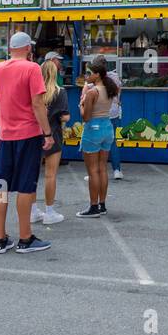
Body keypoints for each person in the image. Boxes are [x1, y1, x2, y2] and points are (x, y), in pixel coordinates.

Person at [0, 31, 53, 254]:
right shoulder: (32, 68)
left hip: (5, 134)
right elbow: (37, 104)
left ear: (10, 48)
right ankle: (25, 237)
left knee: (1, 185)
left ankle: (1, 237)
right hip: (27, 133)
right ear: (28, 48)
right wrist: (47, 133)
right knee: (26, 186)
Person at [76, 58, 119, 218]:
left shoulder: (92, 92)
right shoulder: (109, 89)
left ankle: (93, 206)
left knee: (92, 170)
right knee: (102, 169)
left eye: (89, 73)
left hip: (93, 129)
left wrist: (81, 106)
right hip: (107, 128)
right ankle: (102, 204)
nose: (86, 76)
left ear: (97, 75)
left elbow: (85, 117)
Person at [33, 59, 68, 226]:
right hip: (53, 134)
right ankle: (49, 211)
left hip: (33, 134)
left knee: (31, 174)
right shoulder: (60, 92)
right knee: (50, 175)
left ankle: (32, 211)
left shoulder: (33, 91)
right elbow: (65, 116)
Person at [107, 68, 124, 179]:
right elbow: (119, 93)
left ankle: (94, 172)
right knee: (113, 142)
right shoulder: (115, 77)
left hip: (99, 114)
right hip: (113, 112)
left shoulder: (95, 78)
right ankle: (116, 170)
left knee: (97, 143)